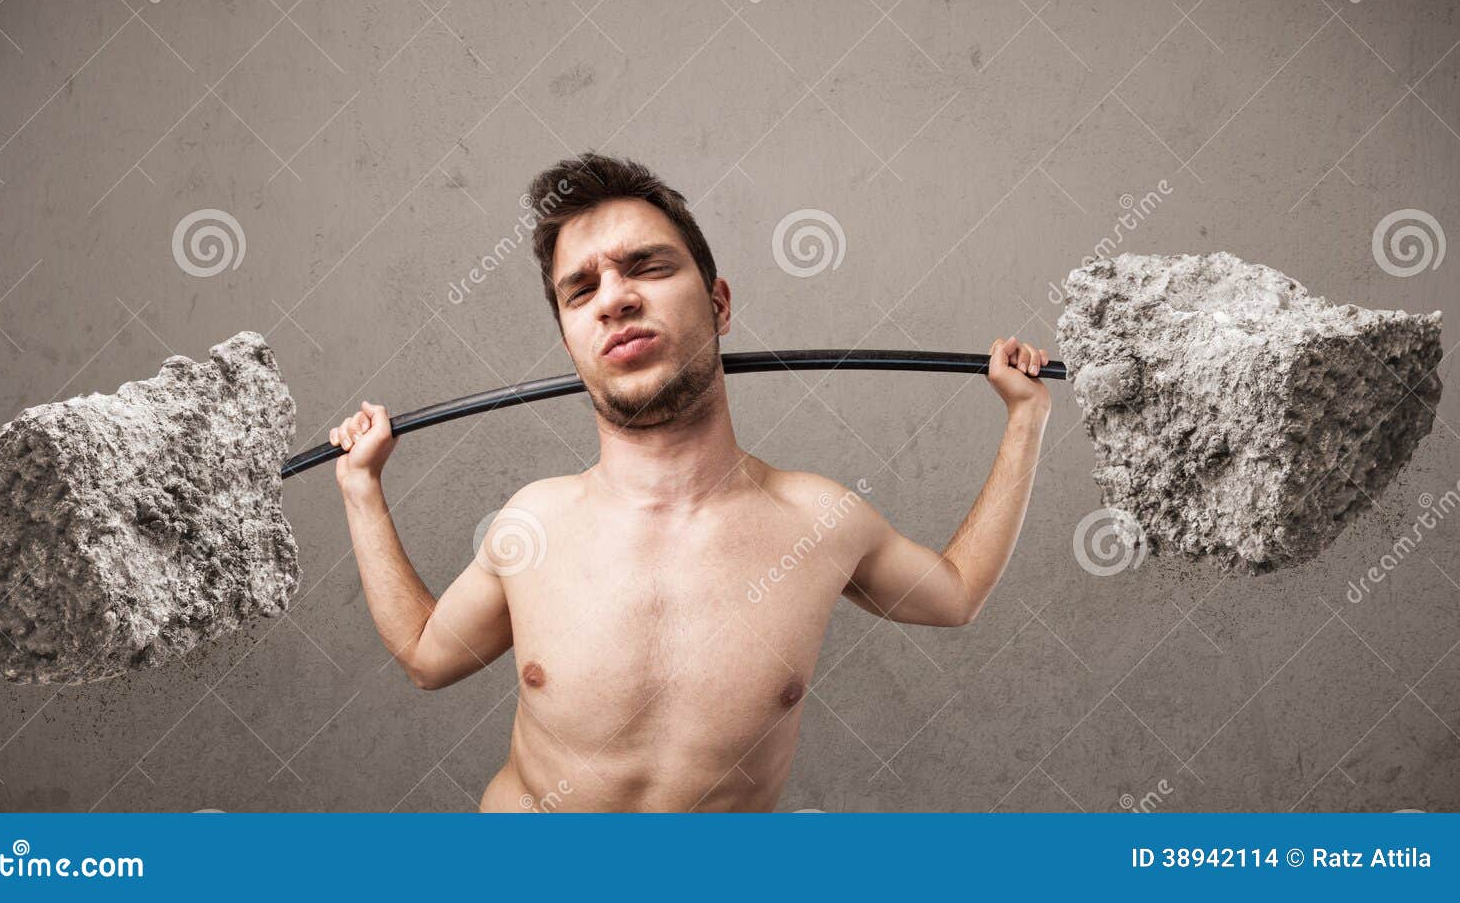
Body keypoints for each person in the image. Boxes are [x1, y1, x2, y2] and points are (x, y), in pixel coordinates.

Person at [330, 152, 1052, 811]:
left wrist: (1026, 419)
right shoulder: (534, 523)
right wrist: (362, 489)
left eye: (646, 267)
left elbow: (955, 595)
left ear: (719, 304)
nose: (614, 298)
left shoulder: (820, 519)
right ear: (571, 343)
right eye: (581, 290)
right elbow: (428, 657)